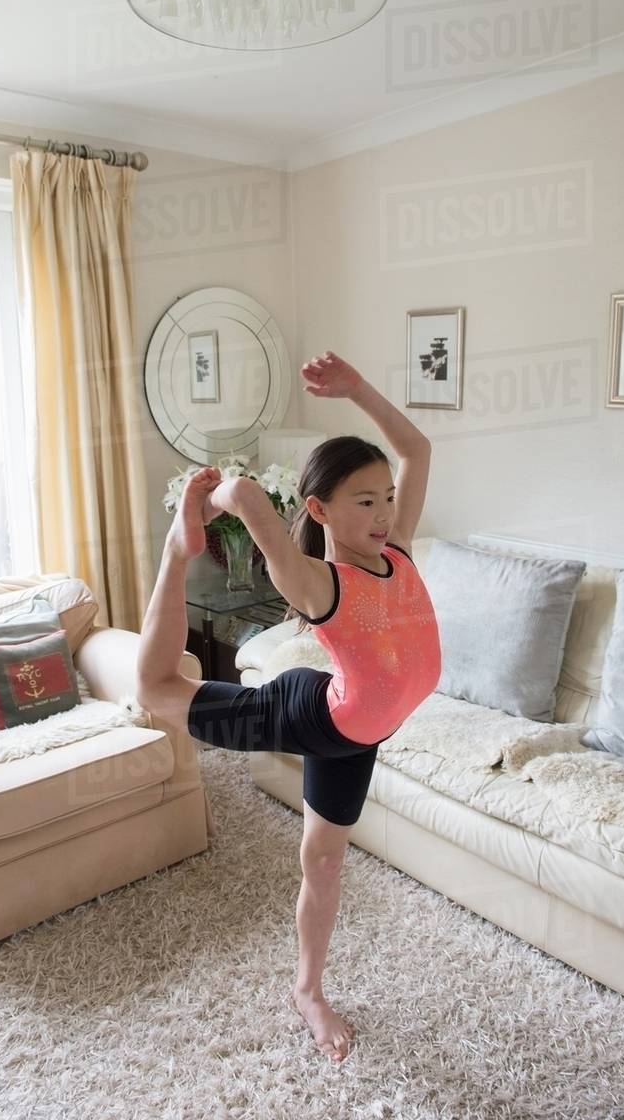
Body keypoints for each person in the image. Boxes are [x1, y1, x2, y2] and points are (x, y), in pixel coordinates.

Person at [136, 350, 441, 1064]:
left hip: (355, 736)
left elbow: (416, 447)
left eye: (386, 497)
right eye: (364, 501)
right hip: (308, 715)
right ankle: (176, 556)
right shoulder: (317, 585)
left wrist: (355, 387)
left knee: (323, 864)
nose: (383, 512)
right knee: (154, 691)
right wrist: (218, 498)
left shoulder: (396, 552)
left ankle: (308, 990)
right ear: (319, 509)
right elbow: (245, 498)